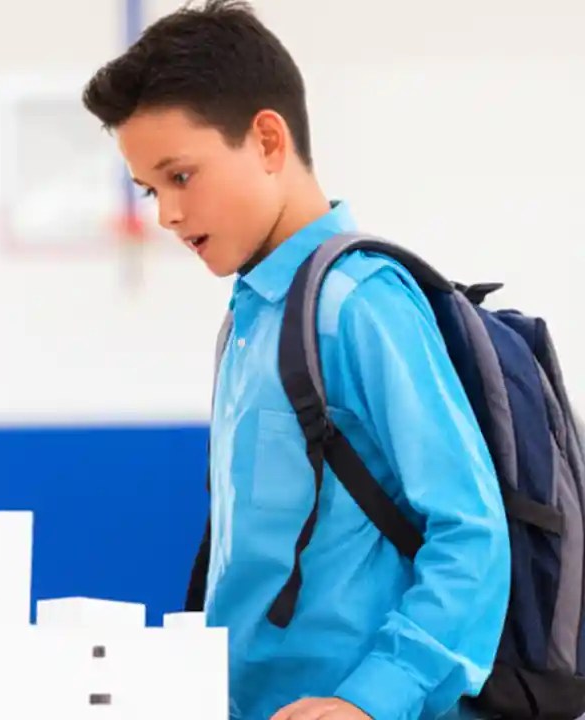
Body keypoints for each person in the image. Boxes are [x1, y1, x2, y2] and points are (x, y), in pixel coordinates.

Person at [82, 2, 510, 719]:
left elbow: (471, 535)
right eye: (151, 190)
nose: (166, 216)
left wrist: (370, 701)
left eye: (181, 176)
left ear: (268, 141)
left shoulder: (359, 304)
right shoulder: (250, 319)